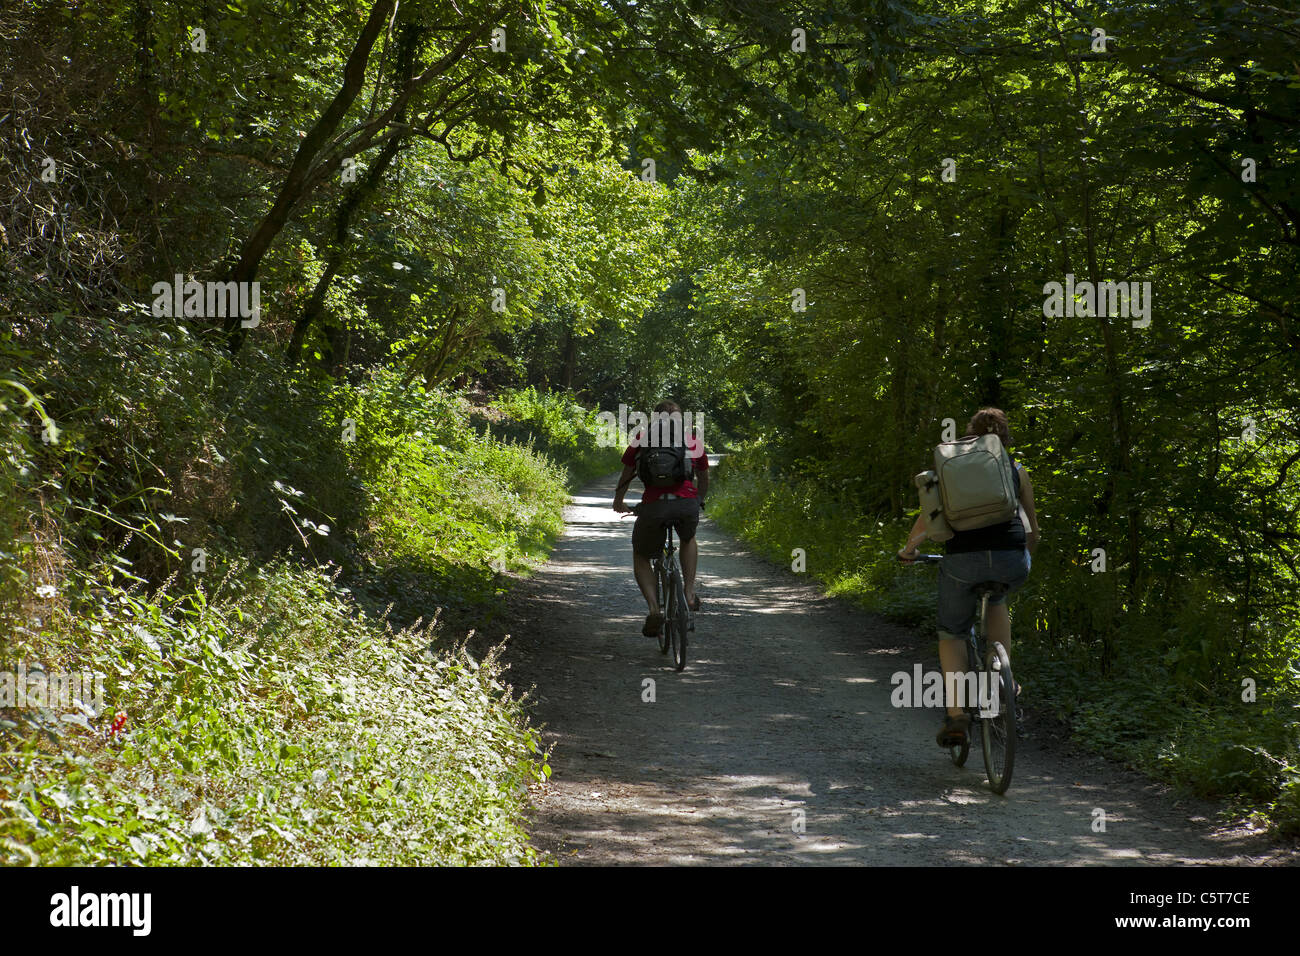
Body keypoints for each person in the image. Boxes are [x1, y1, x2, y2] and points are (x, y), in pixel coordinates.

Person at [898, 408, 1040, 747]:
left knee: (952, 632)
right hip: (1011, 556)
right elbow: (1032, 529)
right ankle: (1004, 677)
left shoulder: (950, 469)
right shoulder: (1015, 469)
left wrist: (909, 550)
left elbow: (928, 519)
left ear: (968, 433)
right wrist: (1022, 557)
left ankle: (957, 714)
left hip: (963, 562)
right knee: (999, 594)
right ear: (1004, 437)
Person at [612, 400, 709, 637]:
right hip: (686, 505)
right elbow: (704, 477)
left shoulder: (642, 439)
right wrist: (699, 500)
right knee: (688, 539)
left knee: (641, 554)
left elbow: (626, 474)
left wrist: (618, 501)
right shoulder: (692, 440)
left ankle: (654, 608)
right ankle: (688, 592)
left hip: (654, 507)